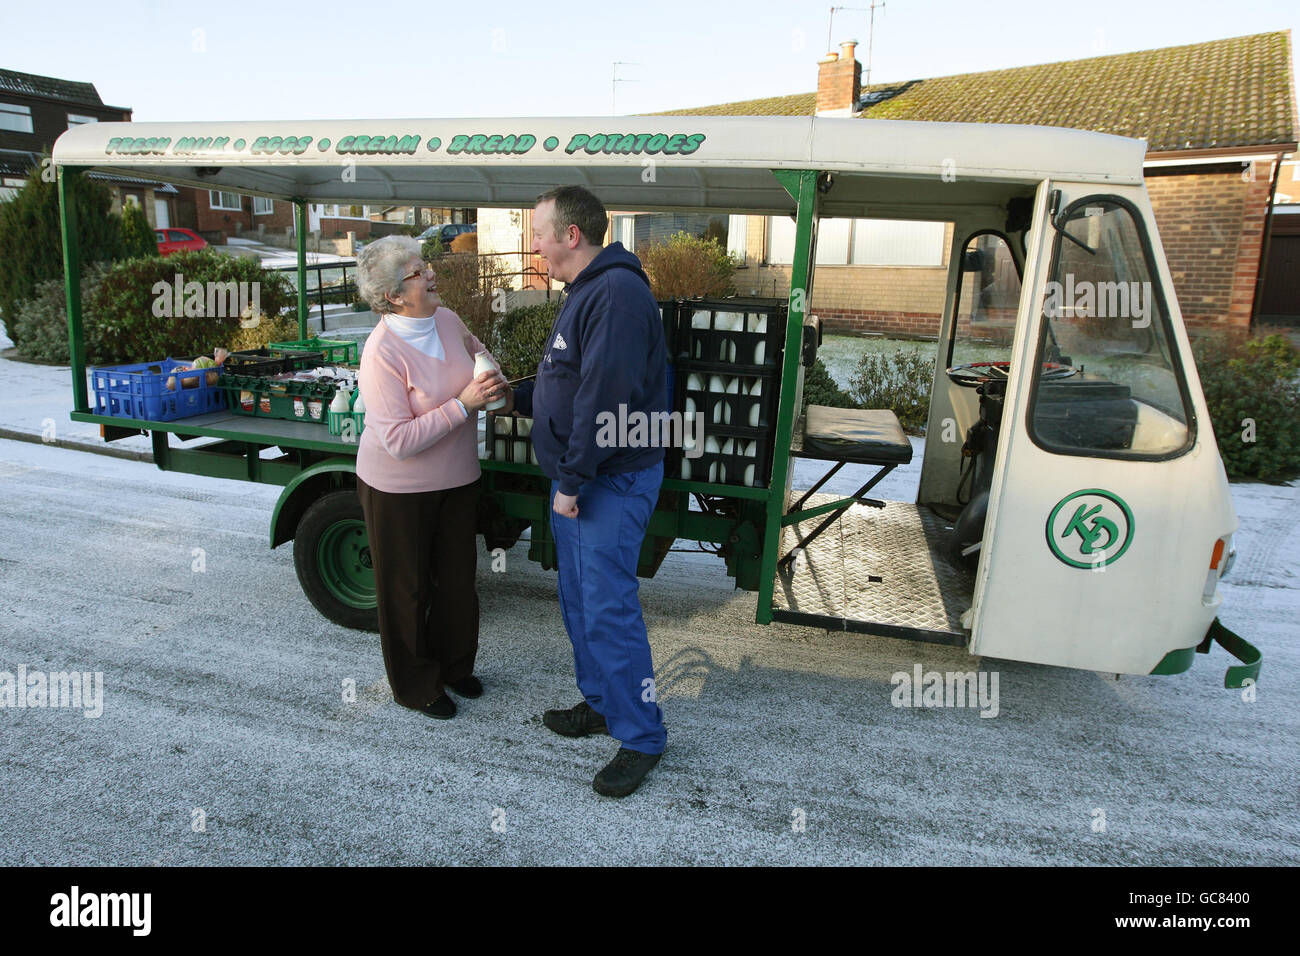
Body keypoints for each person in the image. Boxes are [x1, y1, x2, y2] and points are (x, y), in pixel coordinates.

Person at [507, 186, 670, 798]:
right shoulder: (589, 290)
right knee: (580, 600)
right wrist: (518, 397)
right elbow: (573, 379)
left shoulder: (618, 294)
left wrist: (572, 481)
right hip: (584, 479)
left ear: (571, 235)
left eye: (541, 232)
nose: (536, 244)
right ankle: (602, 702)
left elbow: (608, 399)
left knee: (609, 608)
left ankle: (642, 735)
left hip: (610, 479)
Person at [353, 235, 508, 720]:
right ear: (394, 295)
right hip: (398, 490)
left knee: (458, 582)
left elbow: (480, 356)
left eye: (425, 265)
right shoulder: (380, 353)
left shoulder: (448, 319)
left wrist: (494, 379)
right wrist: (463, 404)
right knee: (407, 590)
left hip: (458, 478)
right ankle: (415, 685)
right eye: (418, 272)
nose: (431, 274)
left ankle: (456, 667)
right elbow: (398, 441)